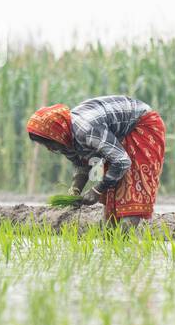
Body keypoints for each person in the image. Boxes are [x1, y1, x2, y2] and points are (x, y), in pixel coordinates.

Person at [26, 95, 166, 227]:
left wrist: (97, 190)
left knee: (132, 189)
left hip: (141, 124)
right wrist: (75, 190)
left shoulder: (86, 130)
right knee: (113, 192)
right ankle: (111, 245)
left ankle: (123, 244)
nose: (50, 149)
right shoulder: (65, 136)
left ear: (57, 134)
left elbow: (122, 161)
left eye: (49, 143)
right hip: (119, 134)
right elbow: (82, 163)